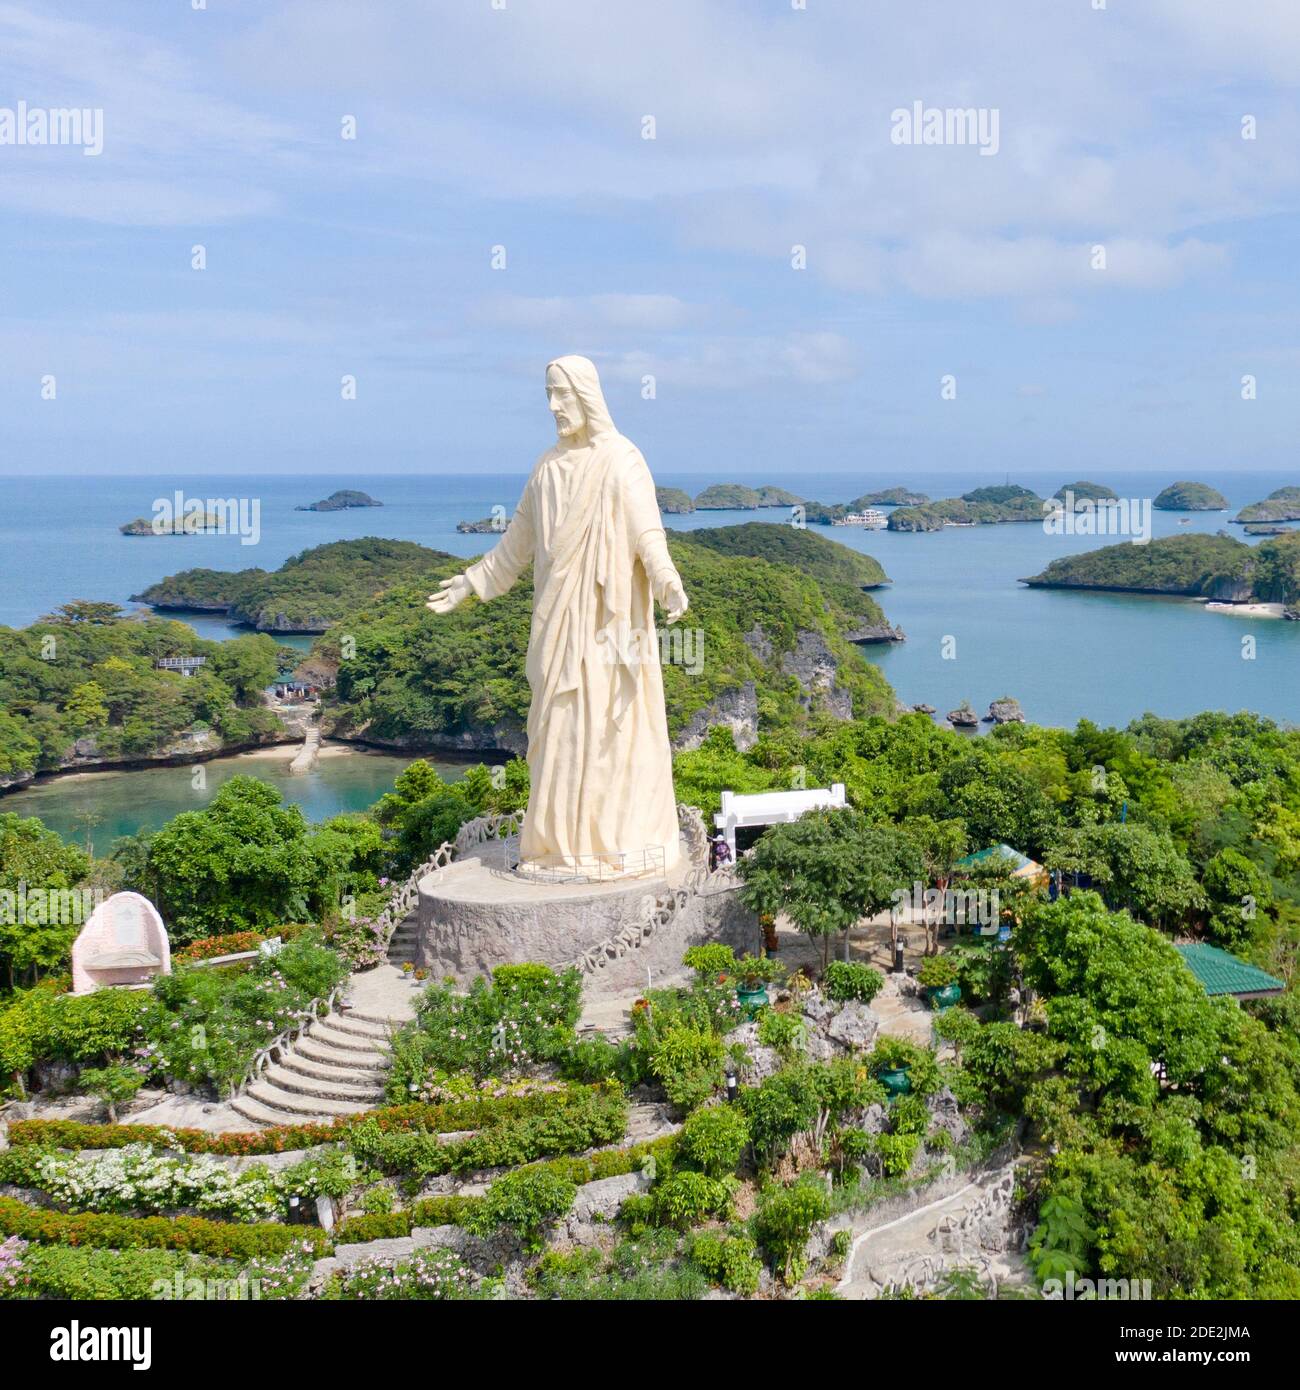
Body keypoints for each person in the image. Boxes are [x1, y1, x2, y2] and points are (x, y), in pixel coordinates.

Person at [428, 356, 688, 877]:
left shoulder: (622, 460)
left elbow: (647, 532)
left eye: (562, 395)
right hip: (557, 627)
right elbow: (515, 545)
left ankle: (608, 843)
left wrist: (665, 579)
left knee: (607, 730)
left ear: (586, 396)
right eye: (548, 395)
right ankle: (557, 846)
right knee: (559, 731)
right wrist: (471, 582)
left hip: (608, 632)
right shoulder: (546, 468)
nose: (553, 406)